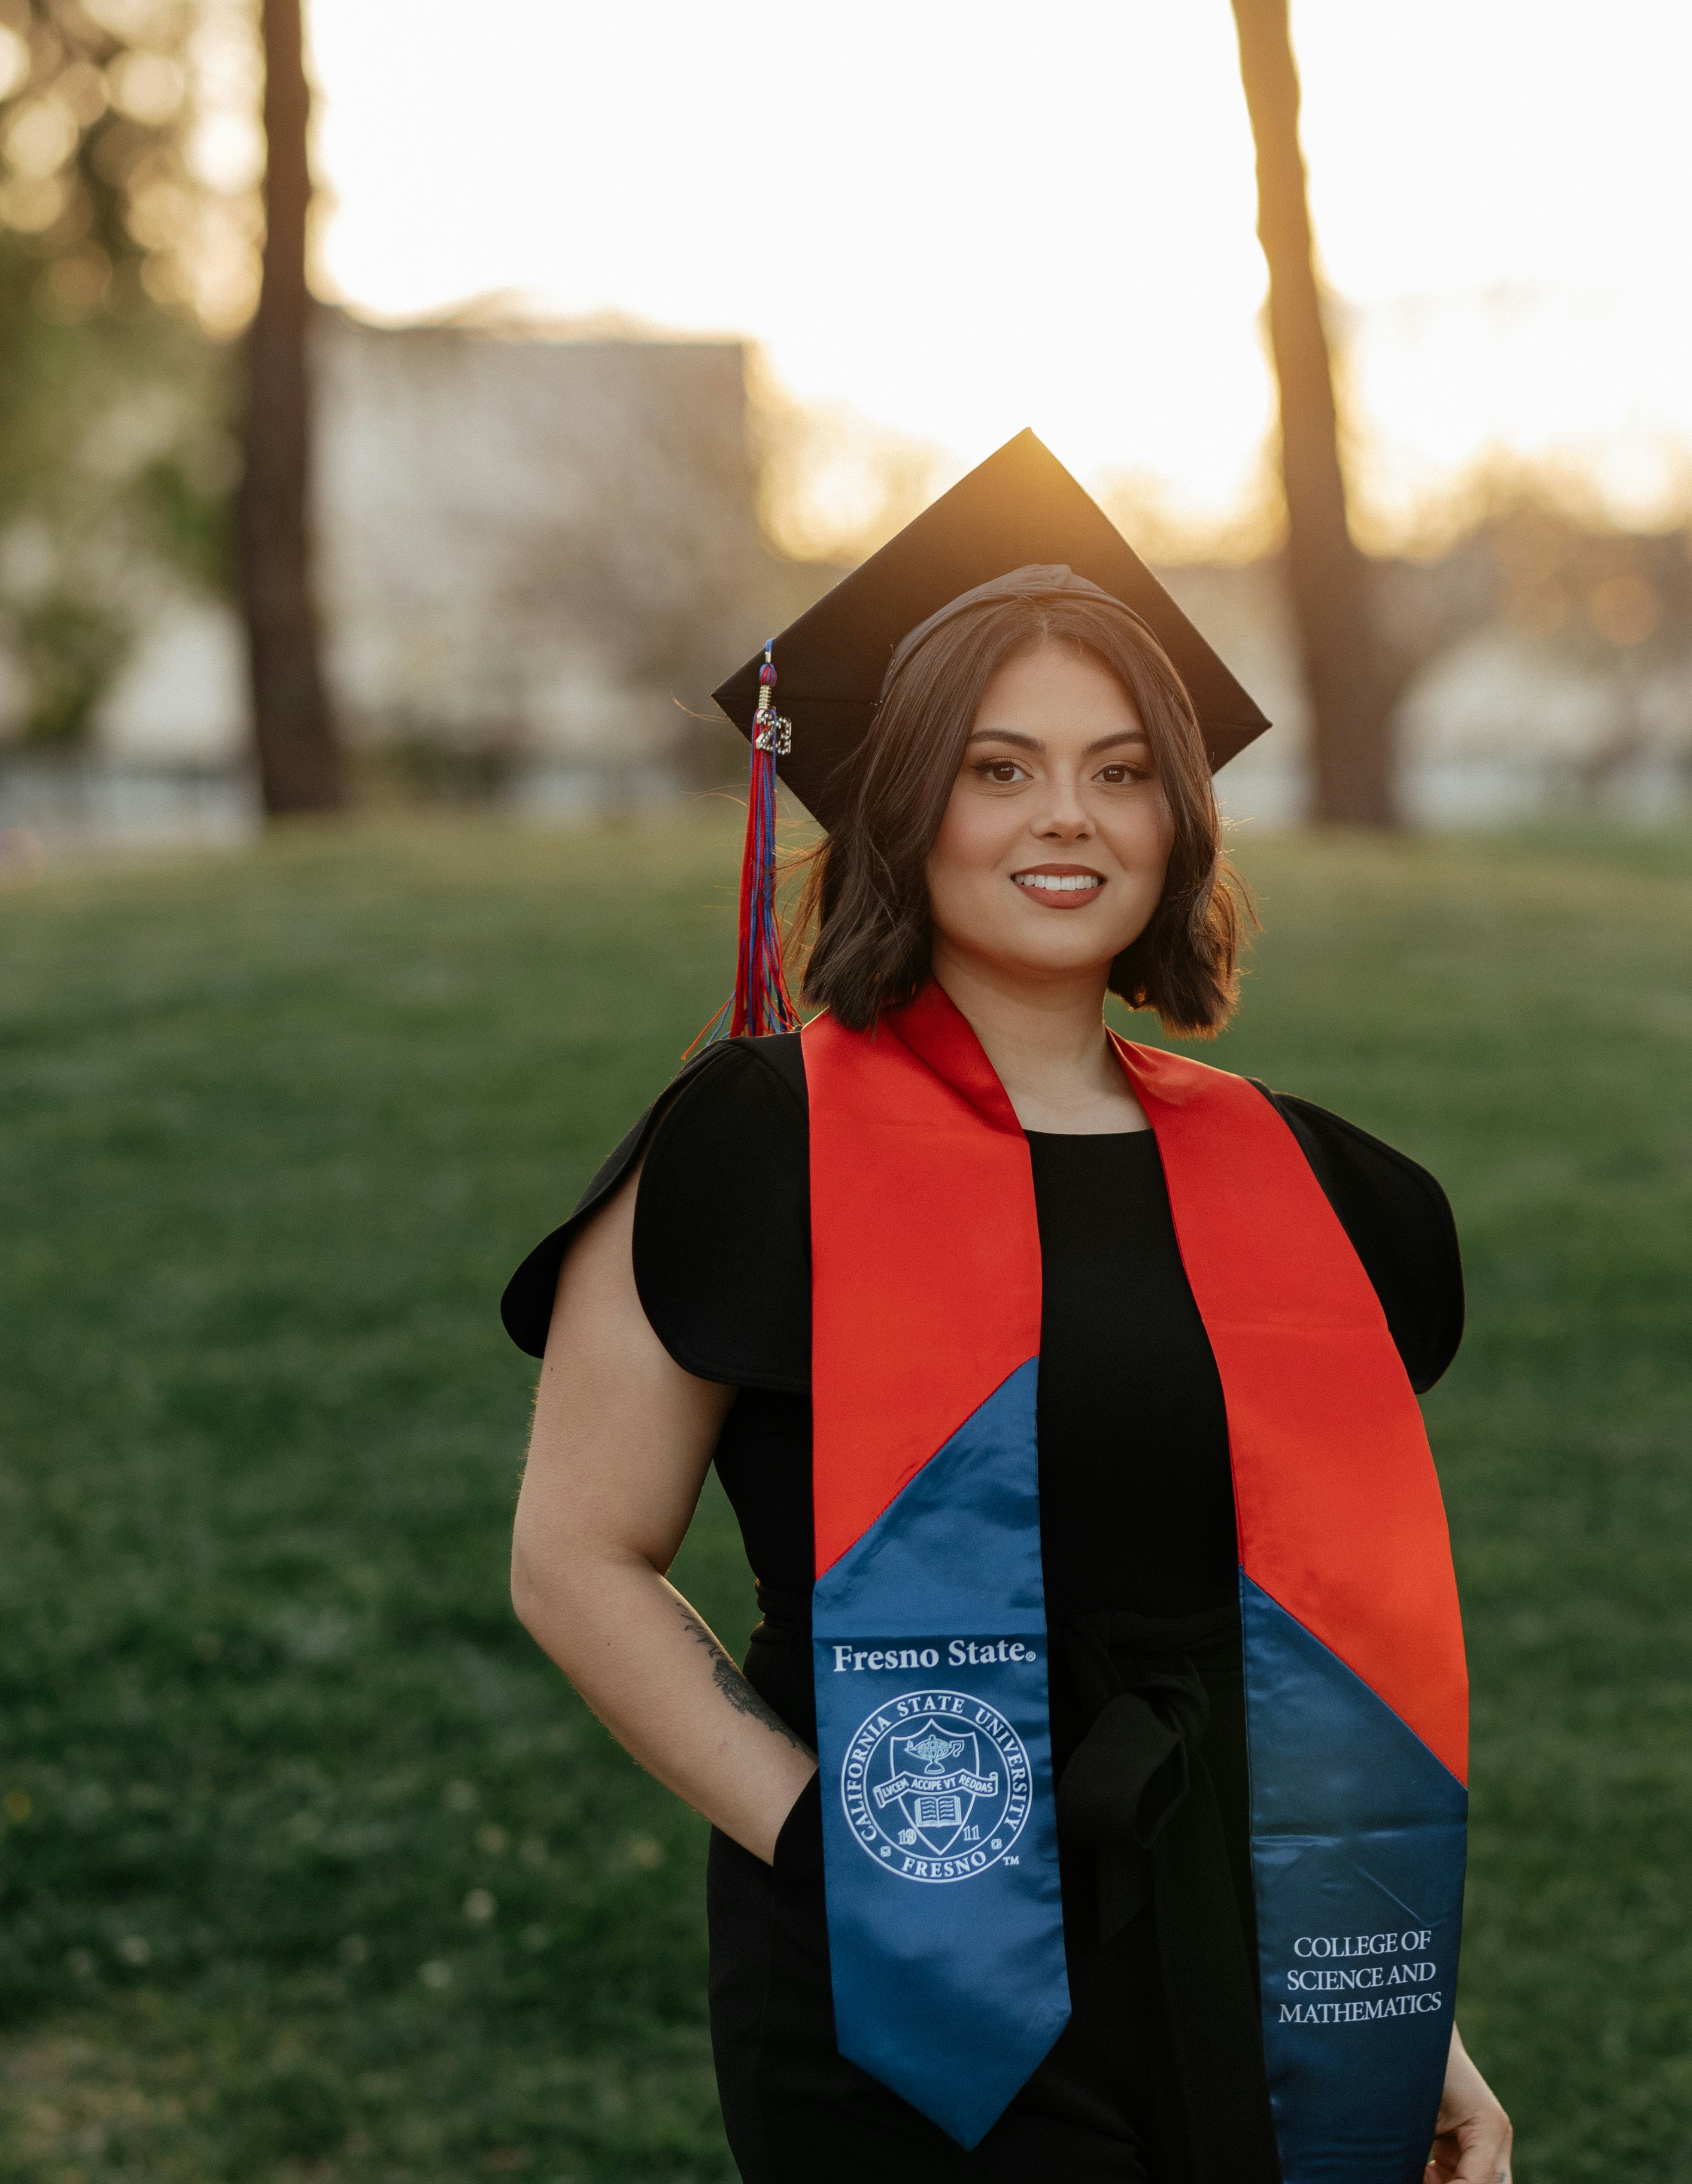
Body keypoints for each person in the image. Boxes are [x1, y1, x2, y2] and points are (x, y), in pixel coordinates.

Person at [502, 433, 1511, 2184]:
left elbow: (1299, 1646)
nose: (1069, 818)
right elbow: (574, 1557)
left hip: (1244, 1958)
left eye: (1122, 771)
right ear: (906, 803)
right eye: (1002, 767)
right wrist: (825, 1847)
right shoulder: (754, 1148)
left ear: (1178, 817)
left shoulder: (1301, 1185)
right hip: (899, 1956)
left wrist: (1409, 2009)